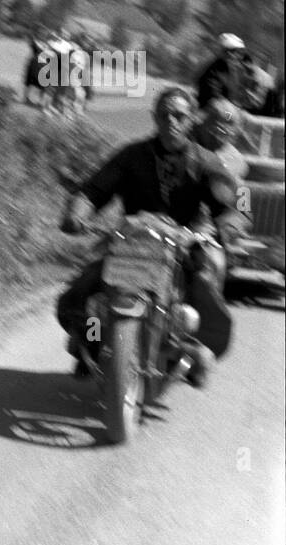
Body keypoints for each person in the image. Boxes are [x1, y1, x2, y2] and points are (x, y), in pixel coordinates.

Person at [56, 86, 246, 387]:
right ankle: (89, 341)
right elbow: (93, 189)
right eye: (165, 115)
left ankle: (196, 348)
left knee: (206, 286)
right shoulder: (131, 156)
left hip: (182, 244)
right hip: (129, 242)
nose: (172, 121)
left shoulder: (207, 161)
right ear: (154, 118)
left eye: (180, 116)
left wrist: (225, 227)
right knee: (86, 293)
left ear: (192, 120)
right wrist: (77, 213)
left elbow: (239, 203)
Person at [192, 97, 248, 183]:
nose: (220, 128)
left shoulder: (237, 162)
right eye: (214, 119)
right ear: (201, 122)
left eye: (229, 123)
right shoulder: (186, 146)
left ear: (236, 133)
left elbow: (241, 194)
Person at [196, 32, 249, 110]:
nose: (236, 56)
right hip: (213, 112)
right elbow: (212, 95)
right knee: (231, 118)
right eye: (232, 52)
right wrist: (231, 108)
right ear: (225, 52)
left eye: (238, 53)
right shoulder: (213, 69)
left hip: (227, 110)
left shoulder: (233, 70)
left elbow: (236, 94)